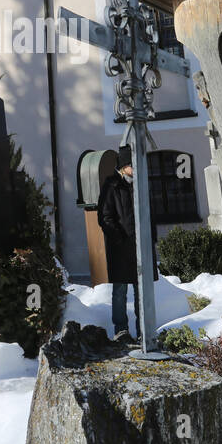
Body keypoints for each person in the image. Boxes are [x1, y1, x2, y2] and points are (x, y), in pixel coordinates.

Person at [97, 144, 157, 340]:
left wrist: (151, 238)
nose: (136, 168)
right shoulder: (112, 185)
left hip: (143, 246)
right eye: (132, 164)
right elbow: (105, 217)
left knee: (142, 290)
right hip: (121, 247)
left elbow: (151, 213)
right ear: (123, 167)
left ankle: (144, 331)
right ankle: (121, 330)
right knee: (120, 291)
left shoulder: (142, 183)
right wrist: (119, 238)